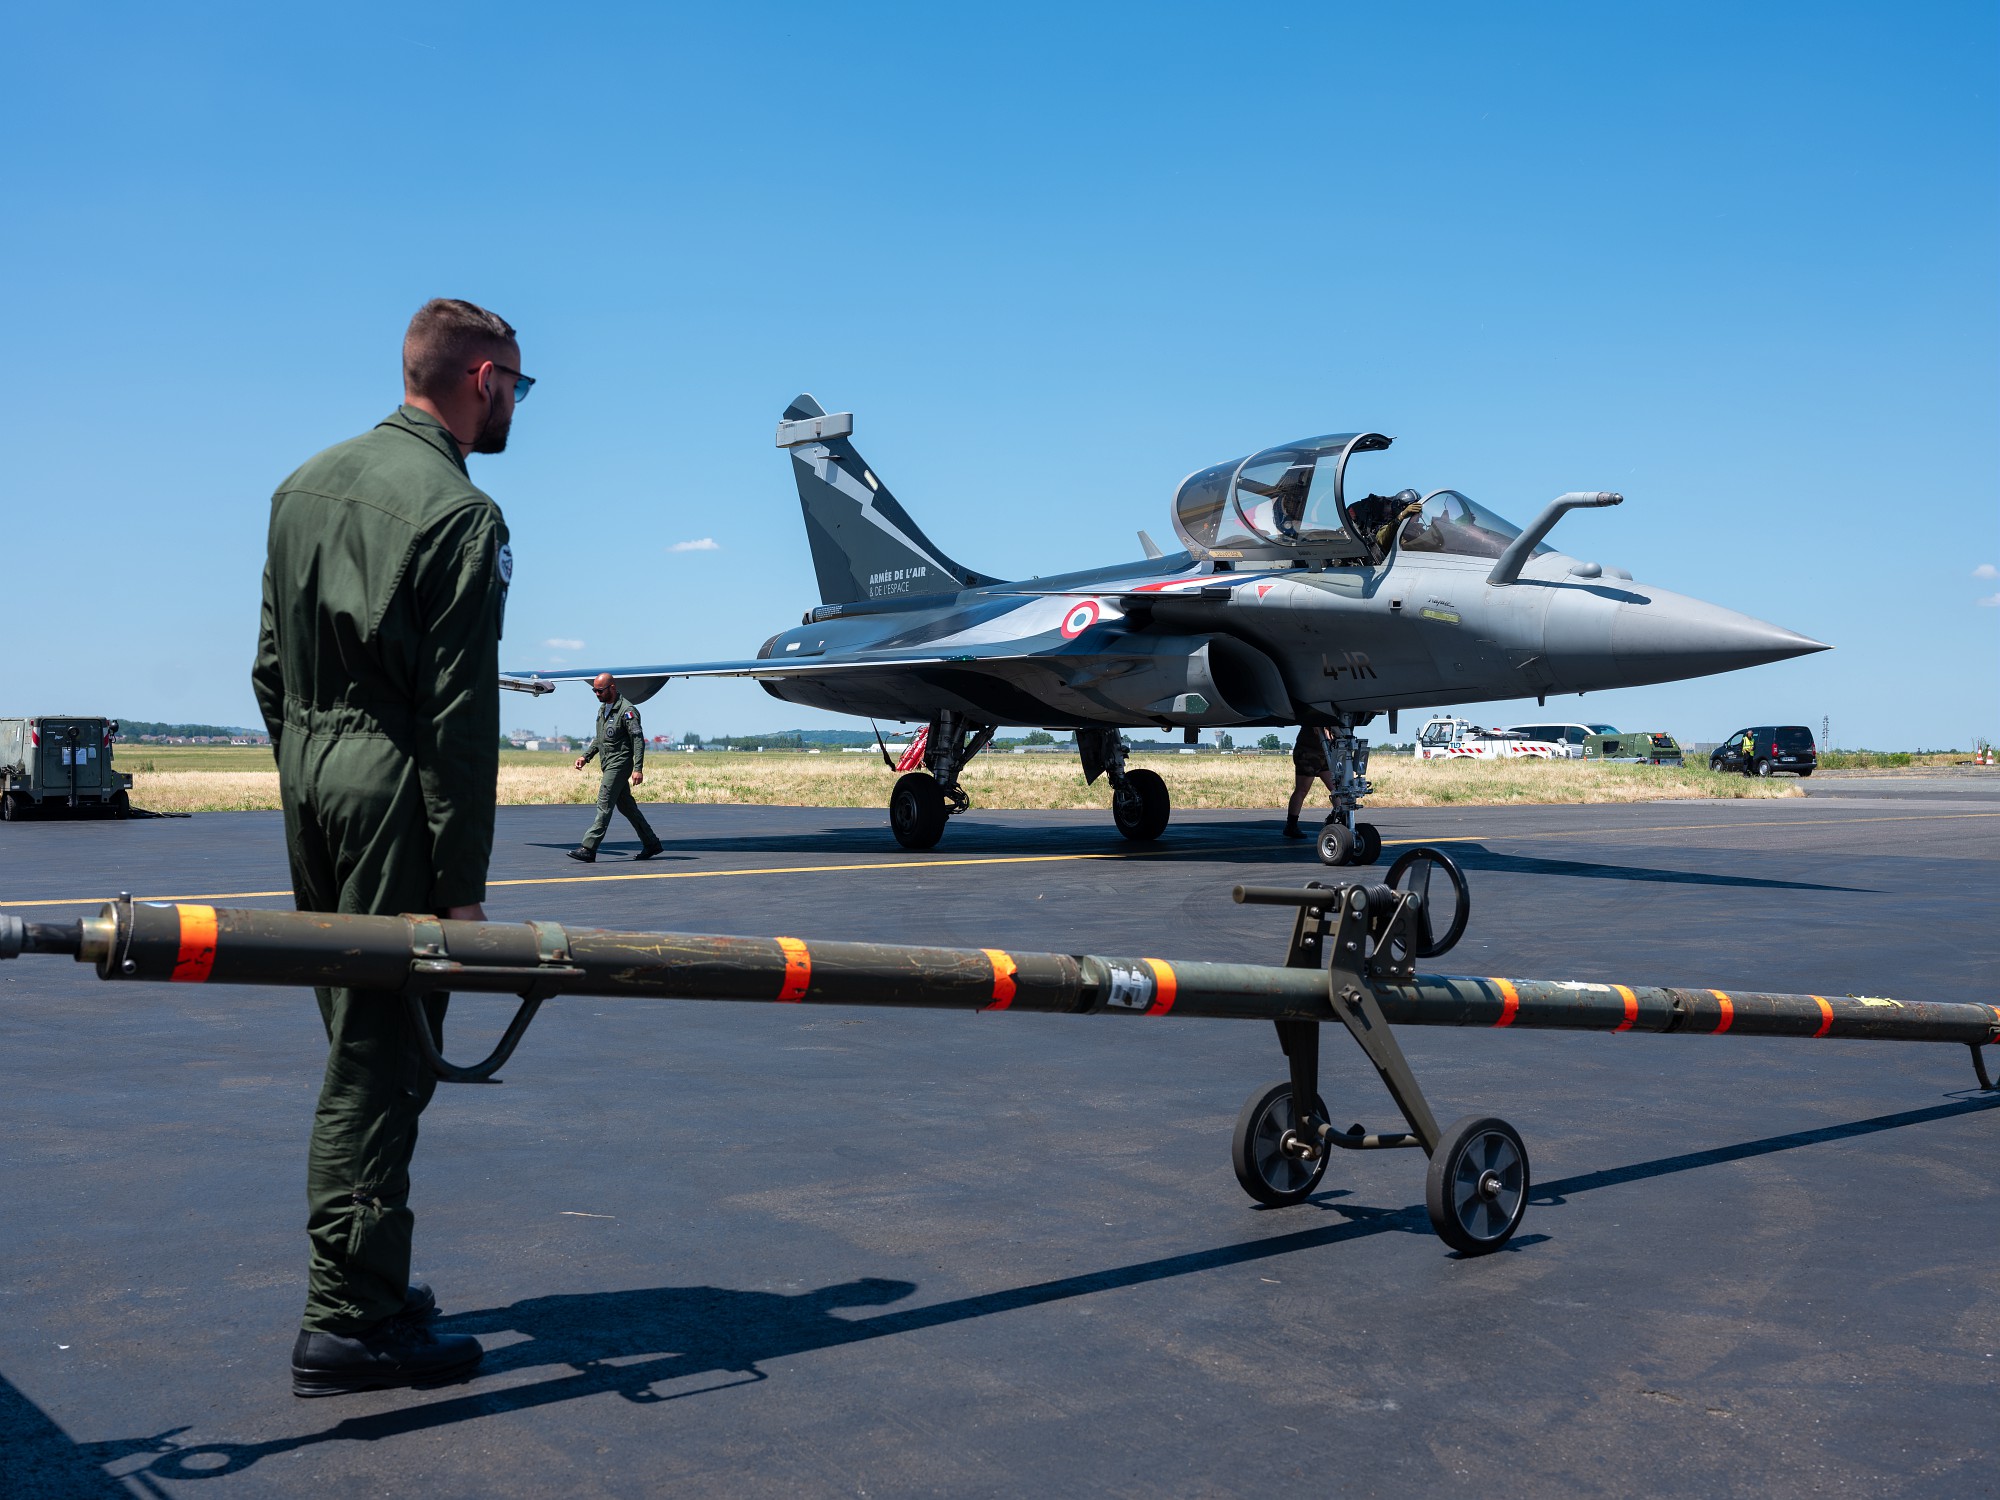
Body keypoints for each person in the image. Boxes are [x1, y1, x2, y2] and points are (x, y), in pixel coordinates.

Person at [253, 297, 529, 1397]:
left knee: (354, 1031)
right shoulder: (461, 514)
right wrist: (460, 888)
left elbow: (272, 668)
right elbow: (458, 724)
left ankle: (367, 1277)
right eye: (515, 381)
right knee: (383, 1055)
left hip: (311, 774)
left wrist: (312, 769)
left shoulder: (302, 486)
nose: (514, 401)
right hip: (390, 789)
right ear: (480, 376)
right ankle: (350, 1319)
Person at [568, 674, 663, 862]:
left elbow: (638, 741)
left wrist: (638, 768)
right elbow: (600, 738)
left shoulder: (627, 711)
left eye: (600, 690)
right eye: (594, 690)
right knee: (627, 807)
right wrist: (585, 757)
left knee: (604, 804)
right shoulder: (603, 709)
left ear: (612, 687)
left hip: (619, 764)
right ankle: (651, 843)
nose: (596, 694)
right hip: (607, 763)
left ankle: (589, 847)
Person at [1282, 728, 1333, 838]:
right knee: (1302, 790)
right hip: (1308, 752)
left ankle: (1342, 819)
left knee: (1336, 788)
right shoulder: (1315, 715)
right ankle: (1291, 825)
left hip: (1325, 753)